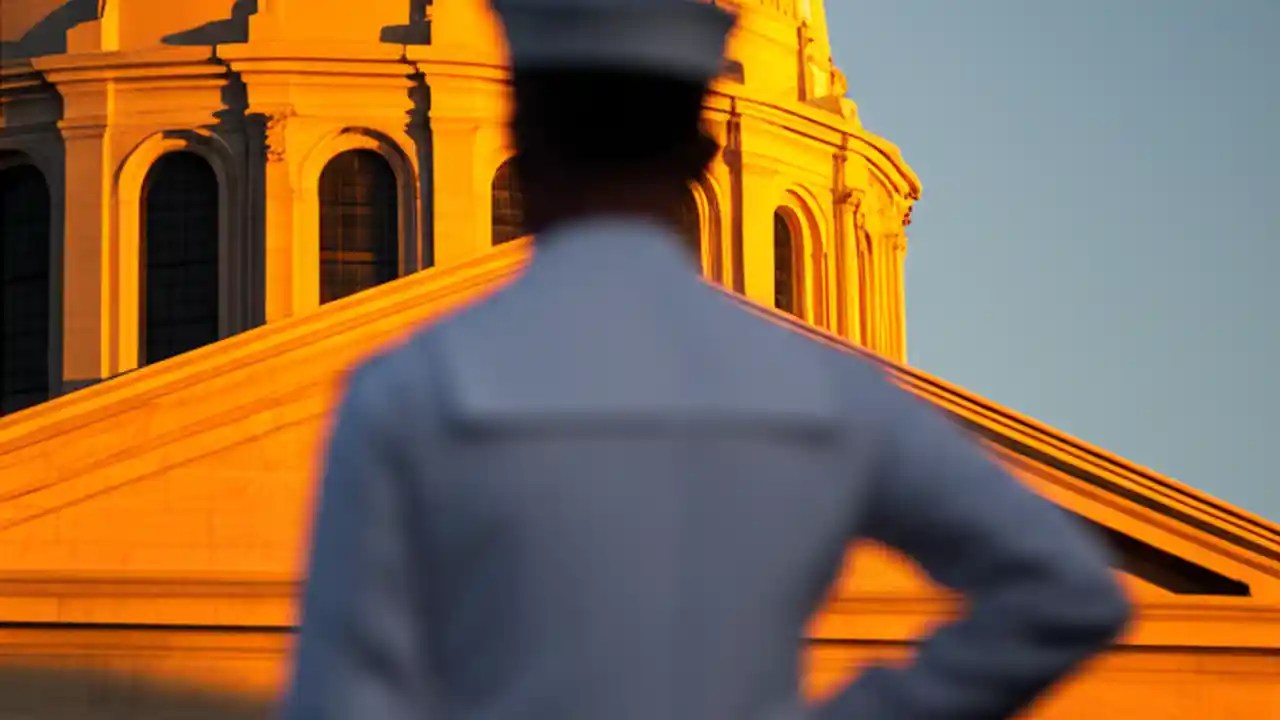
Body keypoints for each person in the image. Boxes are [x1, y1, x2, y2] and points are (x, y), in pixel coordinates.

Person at [282, 1, 1132, 718]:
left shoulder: (410, 393)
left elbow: (340, 698)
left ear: (526, 151)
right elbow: (1069, 593)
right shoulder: (825, 393)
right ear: (700, 158)